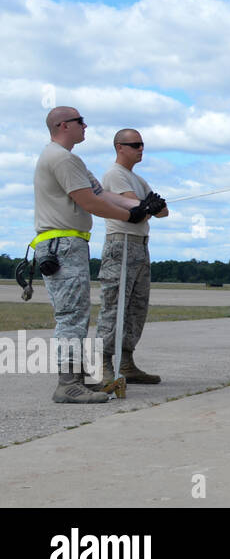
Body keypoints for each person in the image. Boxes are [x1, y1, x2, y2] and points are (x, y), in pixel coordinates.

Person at [33, 107, 164, 403]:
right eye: (81, 122)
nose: (86, 126)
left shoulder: (71, 159)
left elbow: (102, 194)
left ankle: (77, 379)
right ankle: (68, 384)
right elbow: (89, 202)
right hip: (61, 243)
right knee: (70, 317)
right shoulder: (59, 157)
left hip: (71, 244)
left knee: (78, 315)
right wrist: (130, 215)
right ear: (63, 125)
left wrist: (140, 207)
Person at [95, 128, 169, 388]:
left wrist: (151, 207)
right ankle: (103, 363)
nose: (141, 149)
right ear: (119, 147)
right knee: (115, 307)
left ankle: (126, 362)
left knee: (137, 309)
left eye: (142, 144)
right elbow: (135, 207)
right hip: (121, 245)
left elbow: (162, 212)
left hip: (141, 245)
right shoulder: (114, 175)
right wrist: (147, 207)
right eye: (135, 144)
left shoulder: (138, 179)